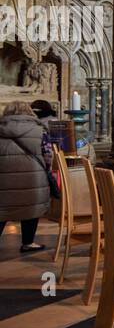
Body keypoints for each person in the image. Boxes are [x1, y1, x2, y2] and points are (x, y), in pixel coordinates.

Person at [0, 101, 54, 252]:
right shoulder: (39, 130)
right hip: (33, 177)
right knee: (31, 209)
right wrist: (46, 170)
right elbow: (48, 155)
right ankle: (28, 242)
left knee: (2, 209)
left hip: (3, 179)